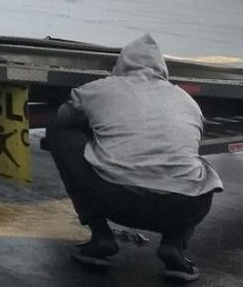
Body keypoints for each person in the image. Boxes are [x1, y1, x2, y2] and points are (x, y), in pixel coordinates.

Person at [45, 34, 223, 282]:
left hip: (117, 198)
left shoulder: (100, 88)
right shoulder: (188, 101)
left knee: (59, 133)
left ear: (120, 65)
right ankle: (175, 245)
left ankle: (100, 236)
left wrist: (97, 130)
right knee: (197, 169)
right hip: (186, 208)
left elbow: (63, 118)